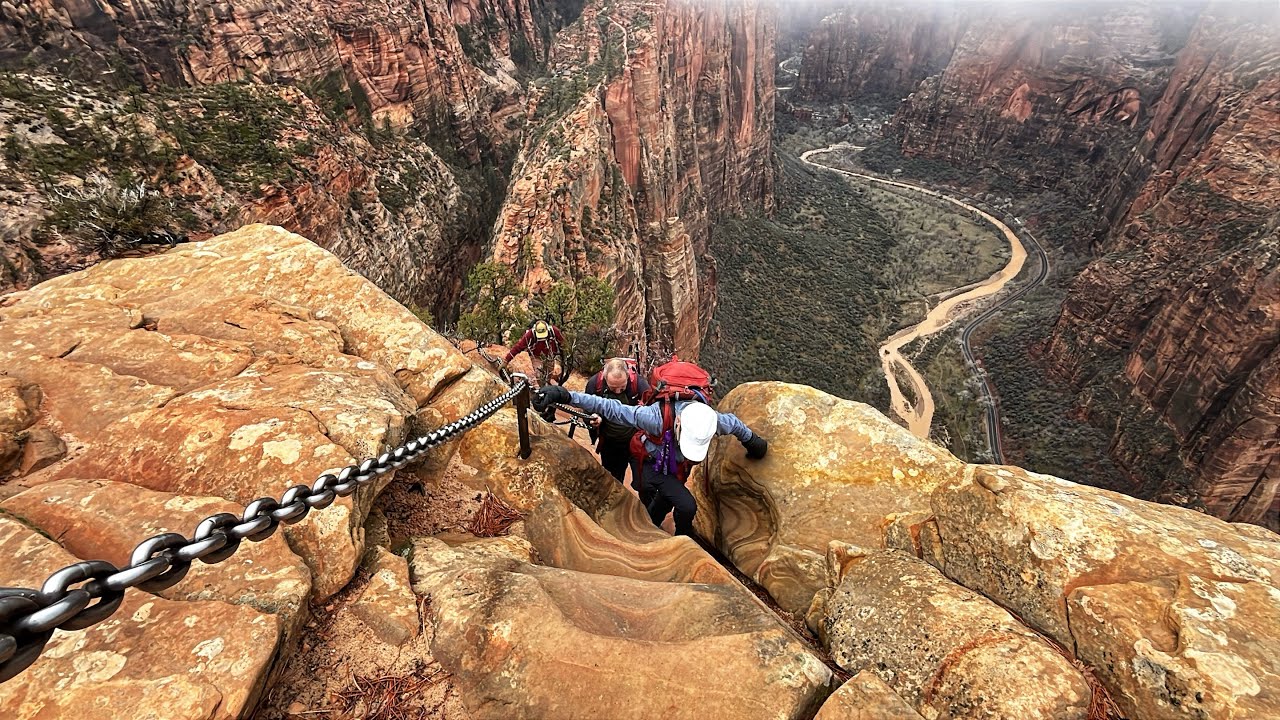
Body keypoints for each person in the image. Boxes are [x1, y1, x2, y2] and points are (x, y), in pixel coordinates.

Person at [533, 384, 768, 536]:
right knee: (687, 505)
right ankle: (683, 539)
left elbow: (736, 425)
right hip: (653, 466)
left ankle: (650, 524)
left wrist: (755, 444)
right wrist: (565, 395)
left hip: (676, 468)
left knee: (664, 502)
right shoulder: (654, 418)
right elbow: (612, 408)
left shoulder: (712, 421)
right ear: (678, 425)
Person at [585, 358, 650, 484]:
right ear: (604, 377)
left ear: (627, 376)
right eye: (613, 388)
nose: (618, 391)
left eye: (622, 387)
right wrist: (594, 418)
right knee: (612, 481)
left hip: (635, 442)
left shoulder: (640, 385)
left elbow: (651, 411)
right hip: (610, 442)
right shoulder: (595, 384)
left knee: (644, 483)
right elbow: (587, 407)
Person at [503, 319, 566, 390]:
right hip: (536, 356)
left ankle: (547, 389)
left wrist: (565, 358)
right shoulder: (530, 335)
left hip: (550, 356)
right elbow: (518, 347)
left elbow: (564, 344)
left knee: (548, 375)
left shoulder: (554, 331)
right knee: (539, 374)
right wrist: (506, 361)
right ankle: (542, 391)